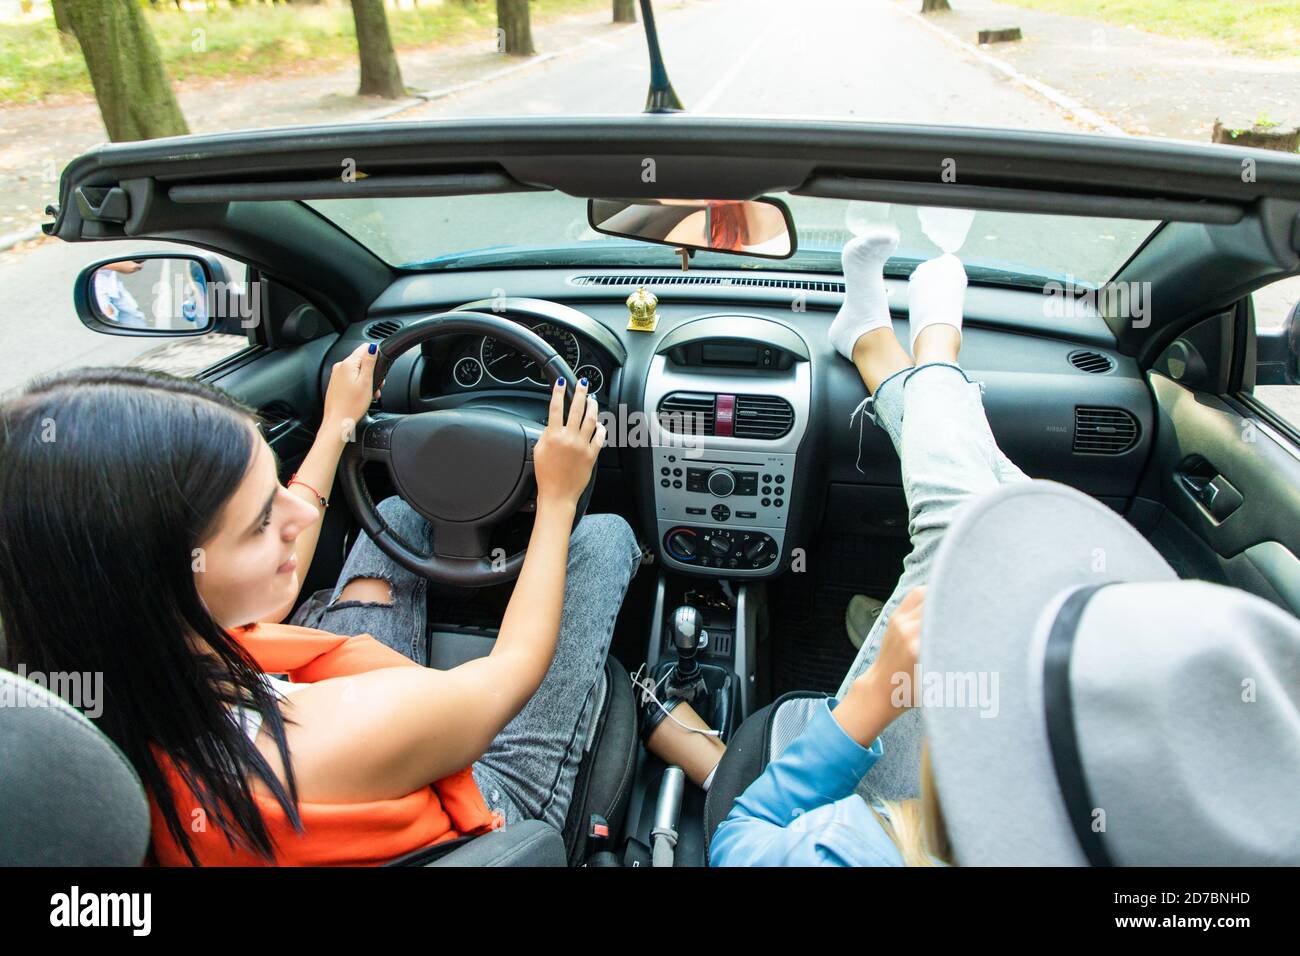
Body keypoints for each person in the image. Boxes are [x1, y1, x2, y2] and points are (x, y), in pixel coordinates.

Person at [708, 228, 1300, 866]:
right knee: (987, 512)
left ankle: (915, 350)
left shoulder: (853, 850)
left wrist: (877, 692)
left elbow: (739, 839)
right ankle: (902, 351)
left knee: (965, 521)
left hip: (885, 803)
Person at [0, 348, 642, 865]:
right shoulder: (320, 743)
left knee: (398, 515)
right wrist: (558, 497)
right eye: (259, 523)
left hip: (323, 707)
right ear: (164, 580)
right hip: (486, 797)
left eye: (278, 484)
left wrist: (337, 426)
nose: (304, 511)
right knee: (603, 538)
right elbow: (515, 669)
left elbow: (273, 565)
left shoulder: (102, 675)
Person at [92, 260, 147, 327]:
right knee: (108, 321)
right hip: (95, 281)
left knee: (135, 317)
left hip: (109, 279)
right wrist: (116, 265)